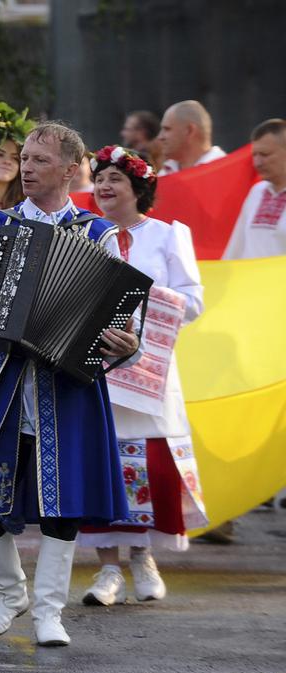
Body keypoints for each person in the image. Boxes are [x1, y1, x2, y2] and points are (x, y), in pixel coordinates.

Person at [0, 121, 141, 647]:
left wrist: (126, 343)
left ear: (70, 170)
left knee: (62, 501)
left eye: (40, 160)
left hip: (67, 384)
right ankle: (9, 594)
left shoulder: (98, 234)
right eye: (24, 158)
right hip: (1, 375)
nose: (26, 167)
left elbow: (124, 323)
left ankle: (49, 612)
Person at [78, 145, 208, 606]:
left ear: (139, 186)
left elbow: (193, 300)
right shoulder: (85, 235)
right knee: (102, 461)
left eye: (115, 178)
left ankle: (142, 556)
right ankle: (108, 568)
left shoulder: (168, 236)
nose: (105, 186)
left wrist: (133, 305)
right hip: (96, 366)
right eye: (99, 179)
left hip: (150, 366)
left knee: (148, 464)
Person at [224, 118, 286, 260]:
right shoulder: (257, 192)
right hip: (250, 275)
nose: (257, 163)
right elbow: (236, 247)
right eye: (254, 155)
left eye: (265, 154)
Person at [157, 100, 225, 176]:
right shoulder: (164, 175)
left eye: (167, 129)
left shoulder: (227, 172)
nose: (160, 137)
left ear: (190, 130)